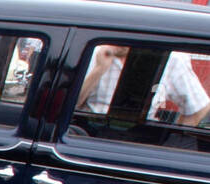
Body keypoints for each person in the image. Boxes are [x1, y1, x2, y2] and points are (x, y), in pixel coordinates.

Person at [77, 44, 210, 128]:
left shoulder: (172, 59)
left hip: (139, 135)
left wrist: (173, 139)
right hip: (91, 129)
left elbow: (199, 107)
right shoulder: (97, 49)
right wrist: (99, 69)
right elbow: (72, 104)